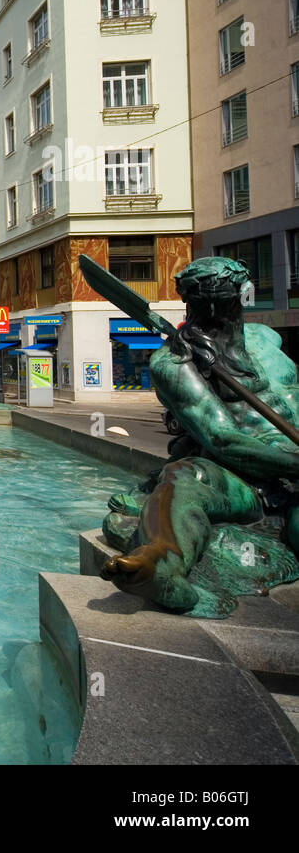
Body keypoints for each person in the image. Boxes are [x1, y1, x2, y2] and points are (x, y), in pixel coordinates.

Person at [101, 257, 299, 615]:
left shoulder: (266, 339)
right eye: (210, 302)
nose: (219, 310)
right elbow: (222, 439)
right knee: (183, 479)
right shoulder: (175, 363)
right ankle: (160, 564)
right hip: (246, 478)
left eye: (224, 299)